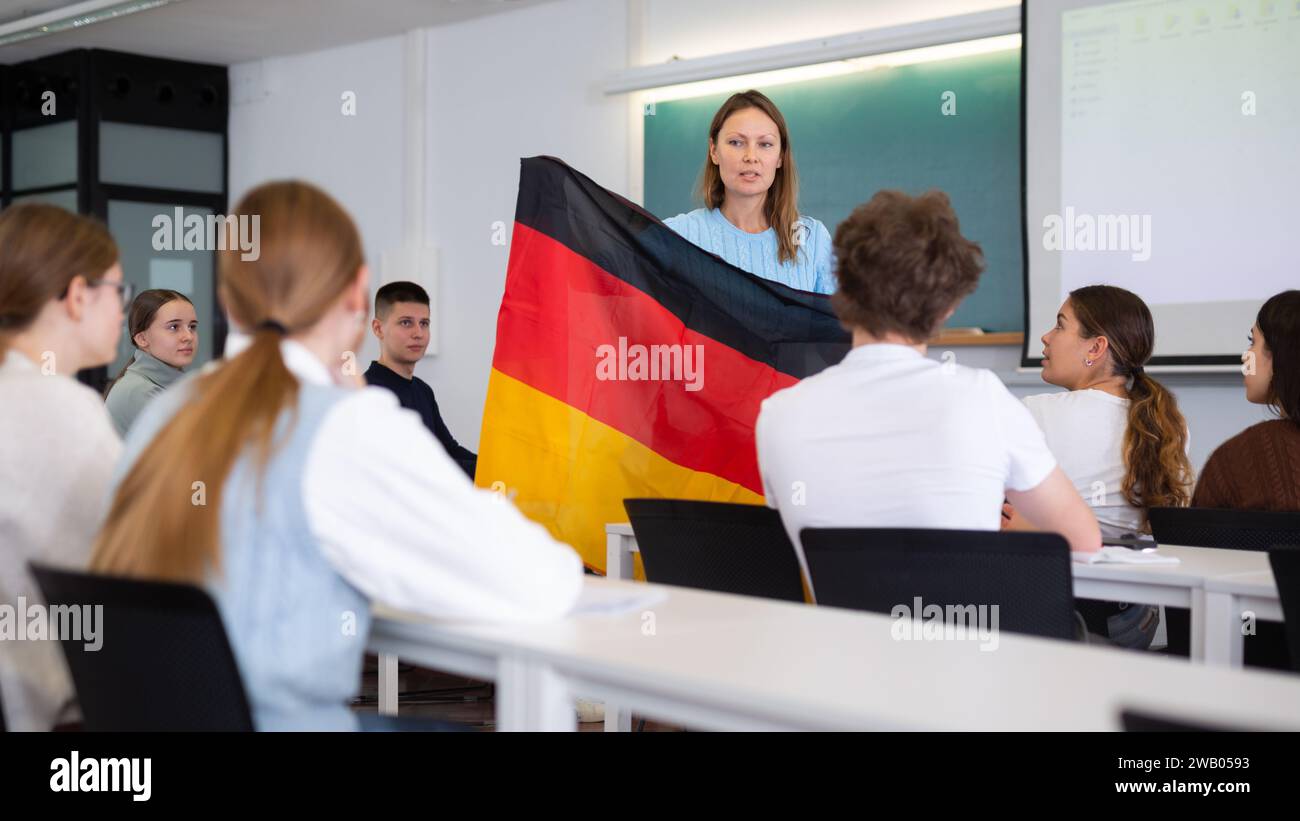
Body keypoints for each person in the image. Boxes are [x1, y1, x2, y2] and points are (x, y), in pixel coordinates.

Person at [91, 181, 583, 731]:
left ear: (228, 300)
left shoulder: (168, 411)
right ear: (356, 296)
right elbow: (538, 584)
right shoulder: (344, 425)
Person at [756, 189, 1100, 596]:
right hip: (964, 652)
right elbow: (1083, 541)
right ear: (946, 309)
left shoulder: (778, 413)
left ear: (841, 294)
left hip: (837, 654)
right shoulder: (983, 400)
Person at [0, 203, 126, 731]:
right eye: (119, 291)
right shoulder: (65, 408)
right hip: (55, 715)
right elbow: (141, 555)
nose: (123, 309)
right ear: (79, 295)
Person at [1017, 285, 1193, 649]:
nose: (1046, 338)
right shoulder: (1170, 424)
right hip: (1131, 622)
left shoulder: (1035, 413)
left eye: (1060, 326)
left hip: (1046, 612)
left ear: (1095, 348)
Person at [664, 89, 834, 294]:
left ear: (780, 156)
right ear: (714, 151)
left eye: (765, 144)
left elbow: (839, 322)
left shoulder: (812, 239)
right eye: (736, 142)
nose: (751, 156)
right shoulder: (677, 235)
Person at [1194, 290, 1300, 510]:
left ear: (1283, 353)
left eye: (1253, 342)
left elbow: (1193, 541)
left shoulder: (1238, 458)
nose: (1245, 356)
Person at [364, 281, 476, 478]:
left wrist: (497, 467)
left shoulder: (423, 390)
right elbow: (418, 468)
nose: (418, 333)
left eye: (424, 323)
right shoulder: (369, 394)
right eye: (406, 322)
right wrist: (492, 473)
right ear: (378, 328)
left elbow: (448, 450)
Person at [104, 288, 197, 436]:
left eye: (192, 327)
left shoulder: (172, 385)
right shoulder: (138, 392)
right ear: (142, 339)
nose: (188, 336)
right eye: (174, 327)